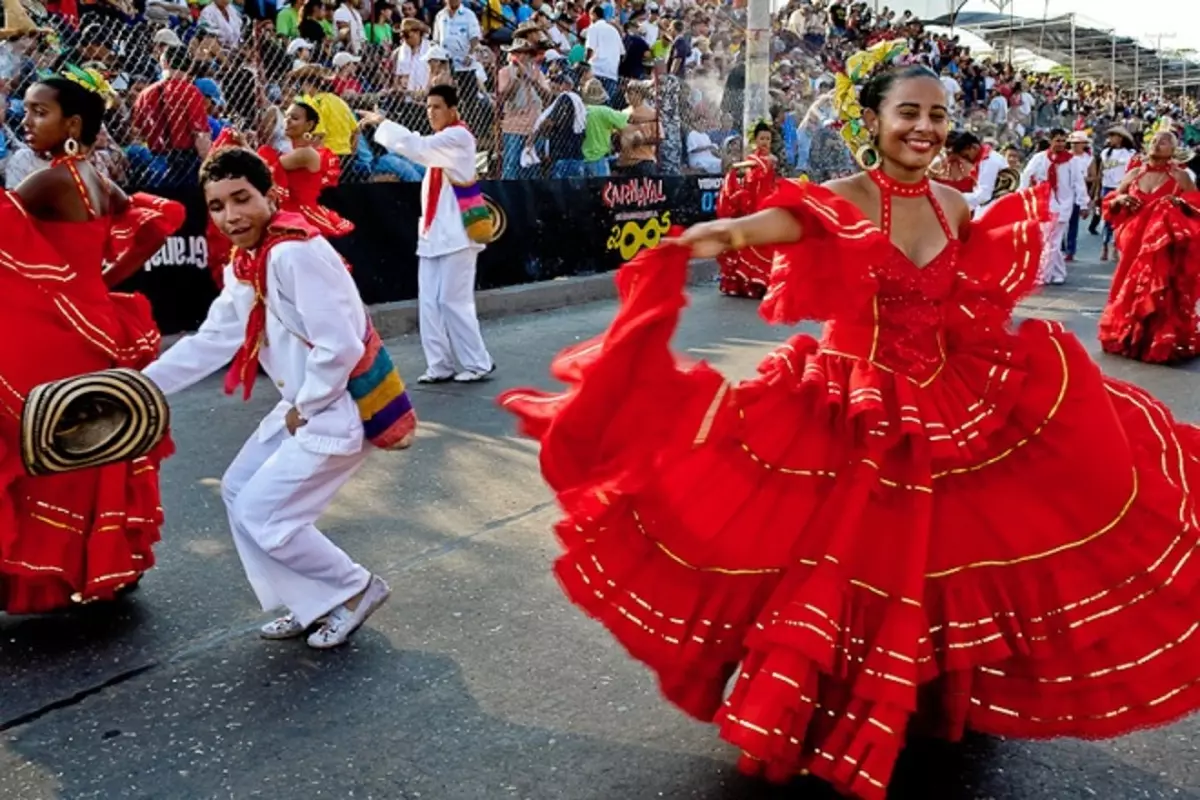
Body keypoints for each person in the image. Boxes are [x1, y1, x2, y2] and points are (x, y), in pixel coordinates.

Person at [499, 57, 1200, 800]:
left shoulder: (957, 207)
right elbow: (762, 228)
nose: (925, 128)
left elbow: (966, 305)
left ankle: (927, 695)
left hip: (942, 399)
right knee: (836, 559)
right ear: (872, 119)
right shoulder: (842, 198)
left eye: (937, 115)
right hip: (850, 404)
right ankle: (823, 705)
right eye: (909, 113)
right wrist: (702, 238)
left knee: (942, 552)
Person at [144, 148, 398, 649]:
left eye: (242, 199)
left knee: (265, 513)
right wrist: (142, 386)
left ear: (271, 196)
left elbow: (341, 343)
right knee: (238, 491)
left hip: (334, 407)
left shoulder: (294, 252)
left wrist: (308, 404)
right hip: (303, 406)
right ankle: (311, 602)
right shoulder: (250, 260)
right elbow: (214, 340)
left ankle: (355, 587)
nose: (230, 215)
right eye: (217, 206)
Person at [0, 73, 184, 613]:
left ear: (72, 124)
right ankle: (97, 567)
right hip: (94, 324)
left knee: (42, 450)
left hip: (63, 331)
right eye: (27, 110)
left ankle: (39, 569)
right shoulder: (93, 175)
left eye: (39, 112)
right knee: (88, 452)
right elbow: (137, 214)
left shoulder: (53, 182)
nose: (27, 122)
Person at [362, 84, 496, 384]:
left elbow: (418, 148)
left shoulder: (459, 137)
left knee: (453, 301)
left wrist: (383, 124)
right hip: (433, 234)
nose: (431, 112)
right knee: (429, 303)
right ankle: (440, 365)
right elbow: (420, 147)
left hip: (458, 235)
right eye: (428, 107)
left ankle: (478, 362)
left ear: (452, 109)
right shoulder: (440, 141)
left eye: (437, 107)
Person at [1097, 129, 1200, 363]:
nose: (1157, 143)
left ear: (1174, 150)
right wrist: (1120, 200)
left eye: (1165, 142)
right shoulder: (1134, 173)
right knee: (1127, 287)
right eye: (1154, 140)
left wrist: (1178, 204)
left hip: (1161, 249)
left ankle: (1156, 340)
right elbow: (1111, 200)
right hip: (1133, 243)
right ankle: (1128, 336)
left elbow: (1195, 208)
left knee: (1159, 292)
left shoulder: (1182, 177)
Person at [716, 120, 777, 299]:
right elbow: (745, 171)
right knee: (751, 245)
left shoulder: (770, 159)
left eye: (768, 139)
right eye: (762, 138)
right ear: (755, 140)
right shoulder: (752, 159)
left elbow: (766, 170)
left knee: (765, 245)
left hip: (766, 203)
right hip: (753, 205)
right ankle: (747, 282)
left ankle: (761, 282)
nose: (765, 142)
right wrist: (734, 169)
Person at [1020, 127, 1089, 285]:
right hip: (1043, 203)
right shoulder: (1040, 158)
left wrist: (1083, 203)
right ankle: (1058, 273)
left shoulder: (1072, 161)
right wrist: (1023, 195)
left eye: (1063, 141)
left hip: (1063, 204)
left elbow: (1079, 183)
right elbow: (1026, 175)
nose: (1060, 144)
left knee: (1052, 241)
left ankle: (1043, 274)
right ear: (1050, 141)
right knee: (1049, 240)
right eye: (1057, 140)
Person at [1095, 125, 1138, 262]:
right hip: (1107, 188)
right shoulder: (1105, 153)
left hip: (1122, 188)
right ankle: (1104, 246)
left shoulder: (1130, 153)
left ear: (1120, 138)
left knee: (1120, 219)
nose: (1110, 139)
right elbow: (1100, 173)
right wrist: (1097, 192)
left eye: (1113, 136)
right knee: (1107, 219)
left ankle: (1115, 246)